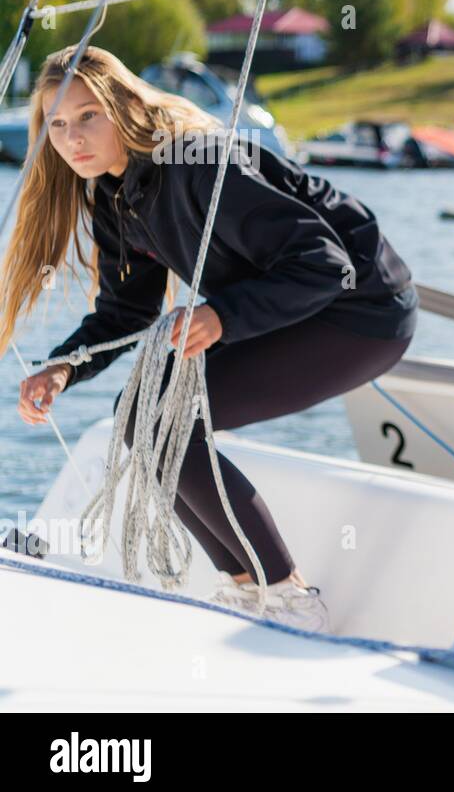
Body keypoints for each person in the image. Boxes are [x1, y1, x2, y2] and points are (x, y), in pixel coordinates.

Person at [5, 46, 420, 631]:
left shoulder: (200, 163)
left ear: (123, 105)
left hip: (362, 310)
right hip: (284, 306)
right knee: (138, 418)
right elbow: (128, 308)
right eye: (58, 124)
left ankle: (291, 595)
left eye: (88, 116)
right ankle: (248, 586)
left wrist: (223, 315)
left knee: (174, 422)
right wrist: (64, 367)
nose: (73, 138)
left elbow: (326, 264)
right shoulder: (114, 194)